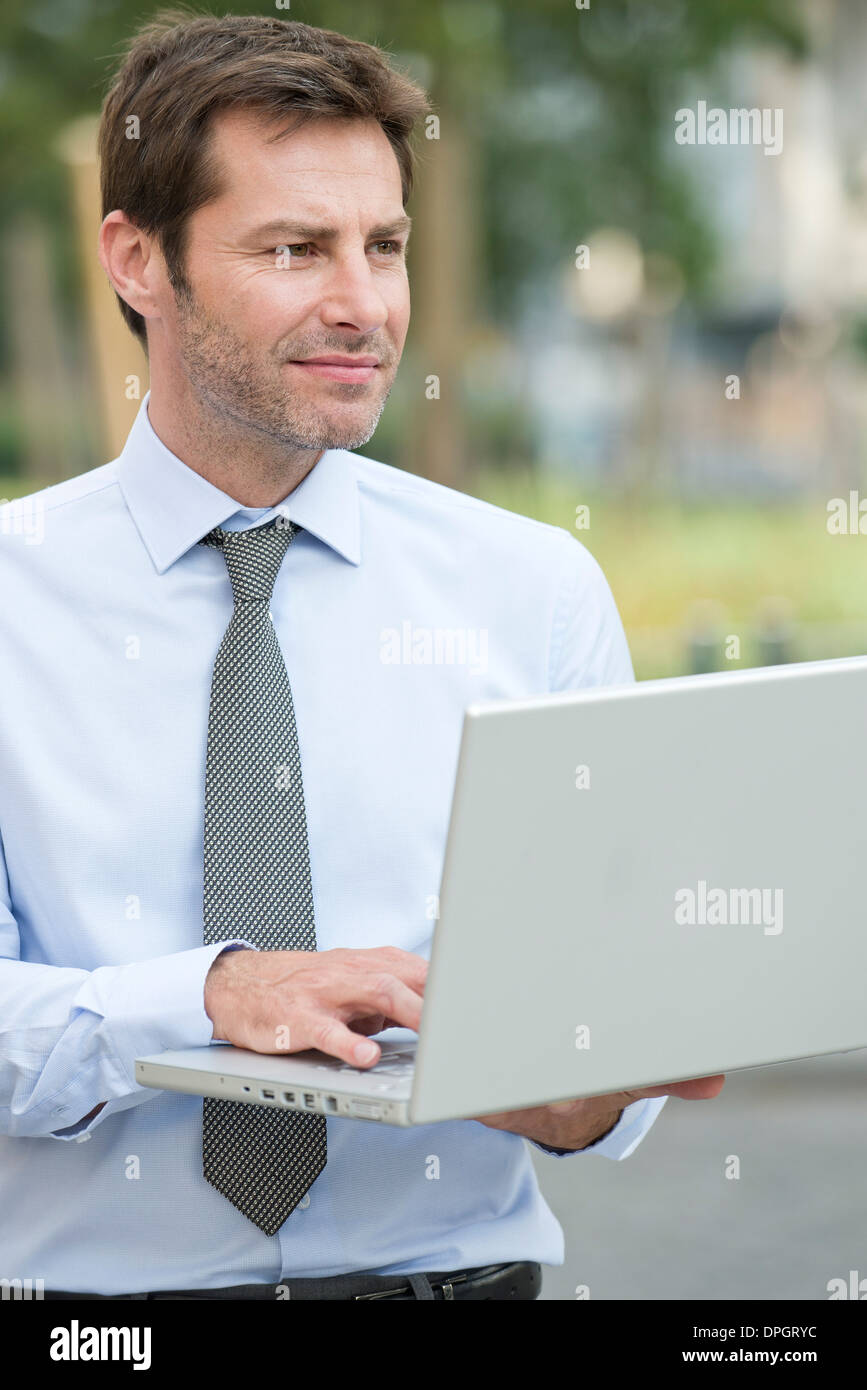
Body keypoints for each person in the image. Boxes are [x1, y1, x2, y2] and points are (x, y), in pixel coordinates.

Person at [0, 11, 723, 1302]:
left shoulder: (533, 590)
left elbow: (597, 1036)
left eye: (383, 246)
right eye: (294, 248)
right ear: (138, 260)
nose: (363, 304)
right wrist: (211, 996)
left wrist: (586, 1085)